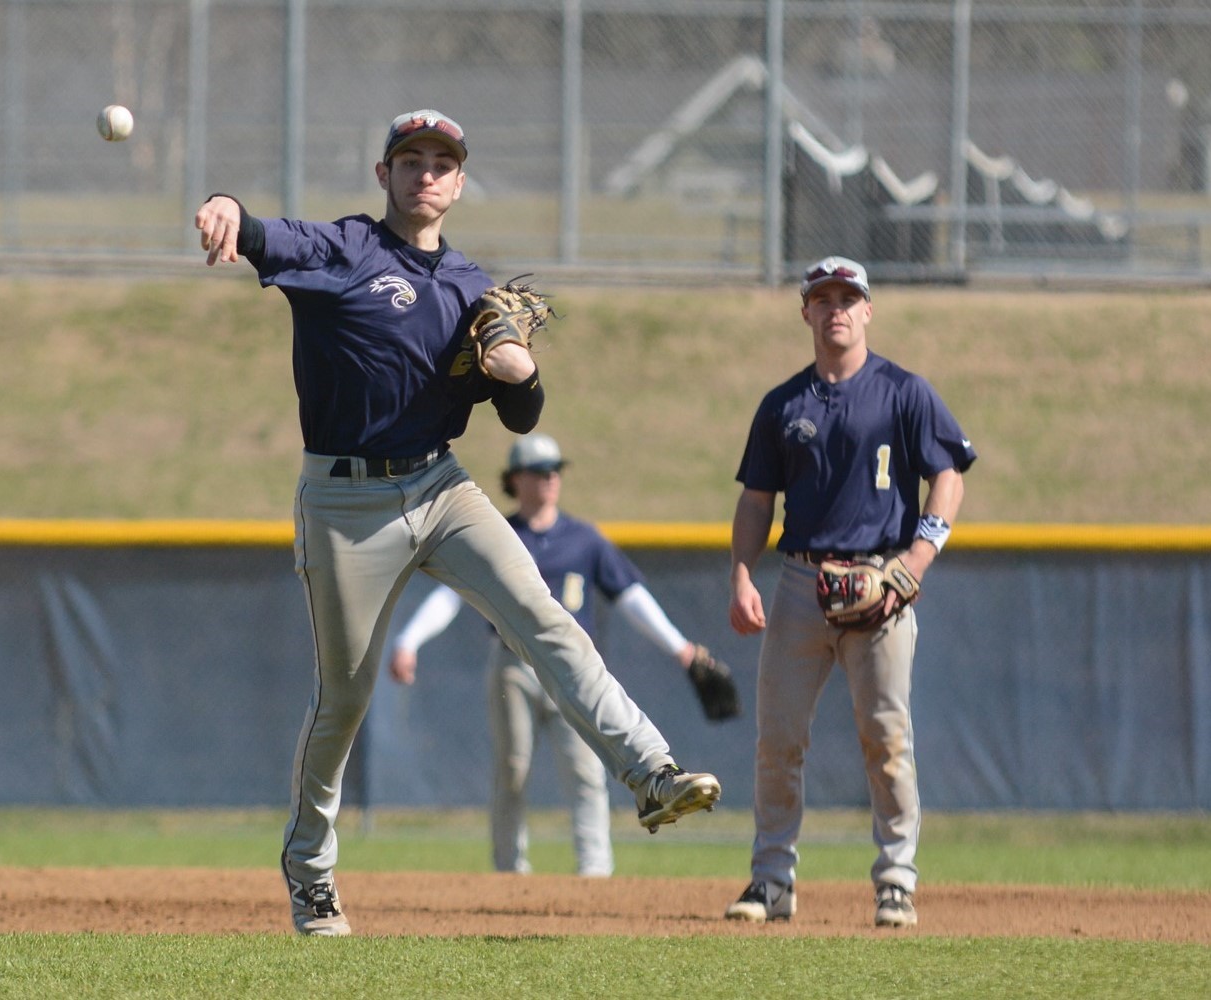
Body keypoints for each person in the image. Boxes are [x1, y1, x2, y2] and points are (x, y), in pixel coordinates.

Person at [193, 109, 722, 937]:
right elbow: (265, 235)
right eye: (412, 159)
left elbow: (519, 416)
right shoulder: (344, 250)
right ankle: (310, 869)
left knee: (544, 618)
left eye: (443, 160)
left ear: (461, 181)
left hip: (441, 485)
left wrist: (524, 370)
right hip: (346, 500)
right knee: (345, 695)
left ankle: (650, 770)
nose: (427, 172)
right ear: (385, 175)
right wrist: (227, 205)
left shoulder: (476, 287)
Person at [723, 256, 974, 929]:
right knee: (778, 740)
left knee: (886, 738)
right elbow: (756, 500)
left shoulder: (903, 391)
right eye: (823, 297)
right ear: (805, 311)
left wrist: (917, 559)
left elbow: (948, 477)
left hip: (882, 581)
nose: (836, 308)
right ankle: (771, 881)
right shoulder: (784, 403)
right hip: (801, 582)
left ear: (868, 310)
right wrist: (743, 573)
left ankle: (896, 881)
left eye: (848, 297)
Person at [388, 432, 740, 878]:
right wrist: (409, 640)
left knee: (587, 771)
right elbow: (451, 597)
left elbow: (630, 596)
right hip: (512, 665)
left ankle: (595, 873)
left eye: (555, 470)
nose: (551, 478)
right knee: (511, 771)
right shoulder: (499, 532)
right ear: (516, 478)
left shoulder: (583, 539)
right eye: (540, 471)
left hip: (576, 670)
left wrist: (679, 647)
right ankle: (509, 870)